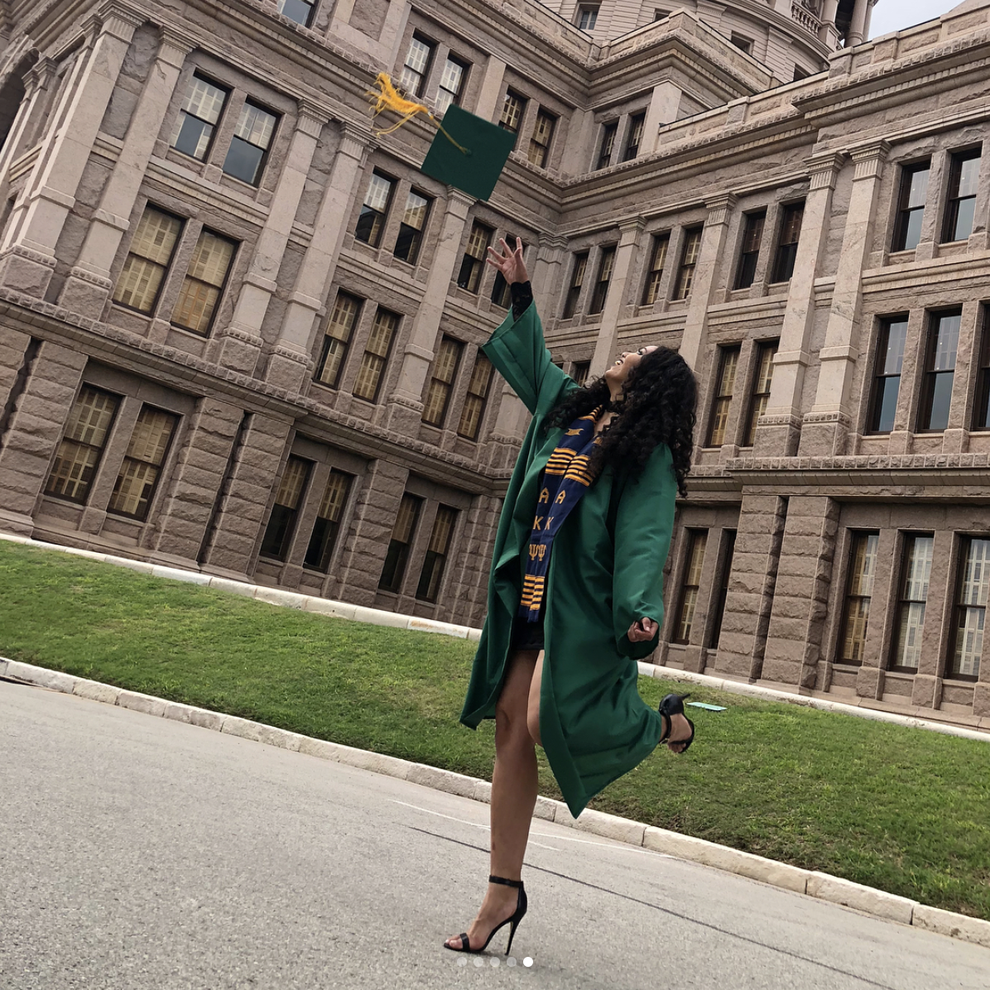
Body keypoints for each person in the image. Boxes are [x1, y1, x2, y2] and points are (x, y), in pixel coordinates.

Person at [444, 238, 698, 956]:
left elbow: (646, 533)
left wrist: (639, 608)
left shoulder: (643, 453)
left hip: (580, 607)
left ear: (654, 382)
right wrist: (521, 293)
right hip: (529, 590)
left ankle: (664, 728)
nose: (625, 352)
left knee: (539, 713)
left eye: (640, 352)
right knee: (509, 726)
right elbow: (531, 364)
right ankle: (502, 892)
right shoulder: (569, 413)